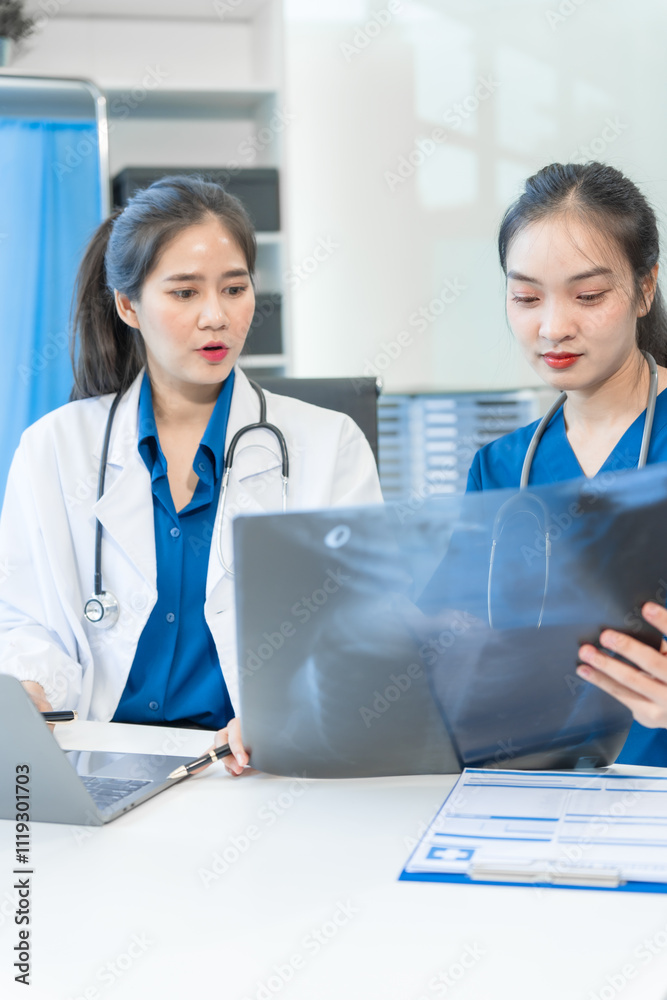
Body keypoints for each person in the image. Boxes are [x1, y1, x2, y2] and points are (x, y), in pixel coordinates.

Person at [0, 175, 383, 775]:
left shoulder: (328, 445)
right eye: (183, 294)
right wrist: (28, 685)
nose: (217, 316)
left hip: (253, 770)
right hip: (97, 763)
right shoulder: (55, 448)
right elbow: (20, 618)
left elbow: (360, 629)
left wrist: (290, 709)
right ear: (129, 306)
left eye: (235, 288)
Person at [466, 160, 667, 766]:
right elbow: (459, 655)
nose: (553, 327)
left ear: (645, 288)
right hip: (527, 791)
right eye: (526, 297)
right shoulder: (499, 468)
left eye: (589, 296)